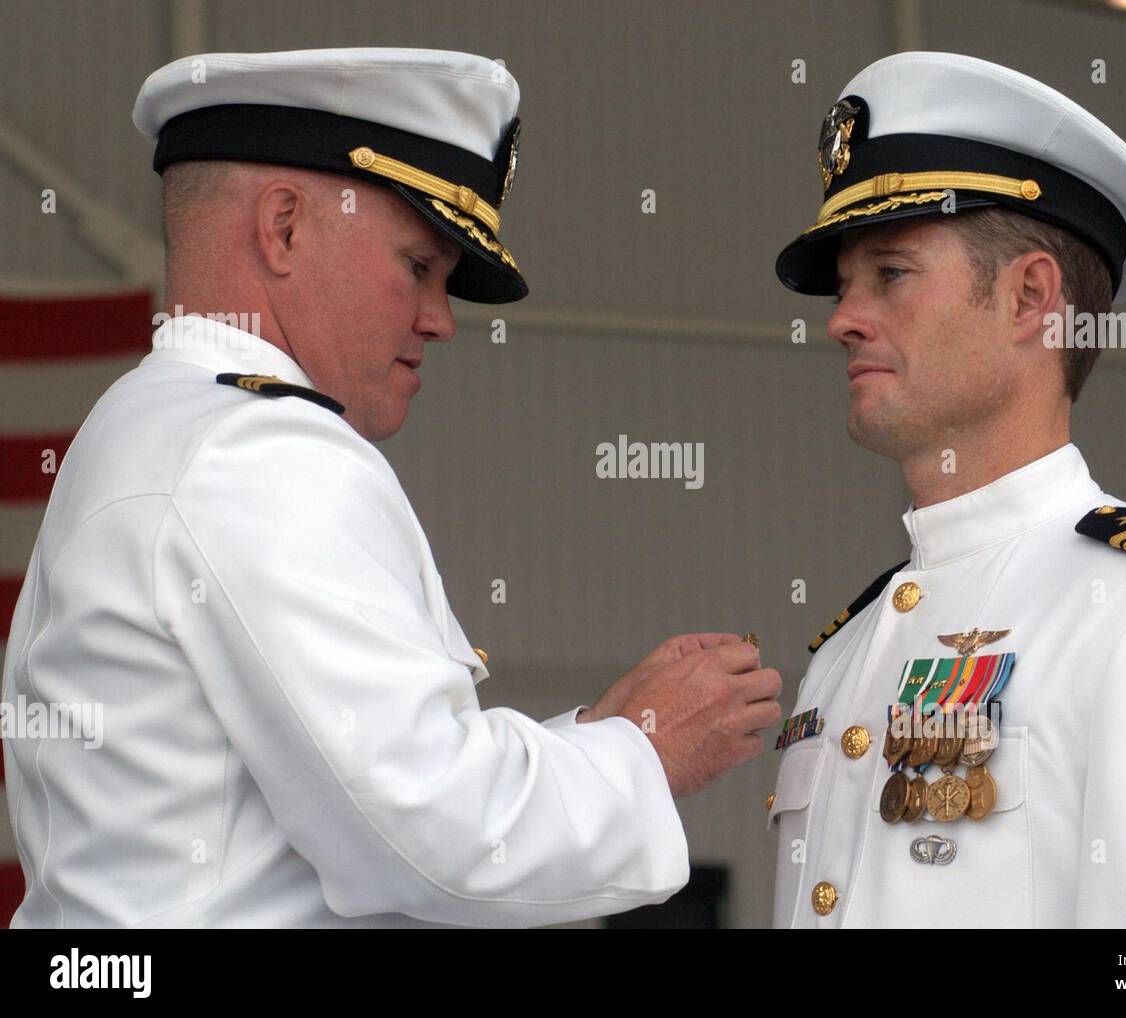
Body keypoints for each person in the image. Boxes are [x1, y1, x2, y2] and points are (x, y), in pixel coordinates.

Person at [0, 47, 781, 928]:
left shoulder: (145, 422)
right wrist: (645, 749)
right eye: (418, 266)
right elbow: (436, 842)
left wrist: (593, 736)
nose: (441, 321)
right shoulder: (261, 454)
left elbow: (365, 799)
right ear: (285, 226)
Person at [766, 51, 1126, 927]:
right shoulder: (847, 650)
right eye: (845, 286)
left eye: (891, 274)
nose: (841, 319)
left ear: (1029, 299)